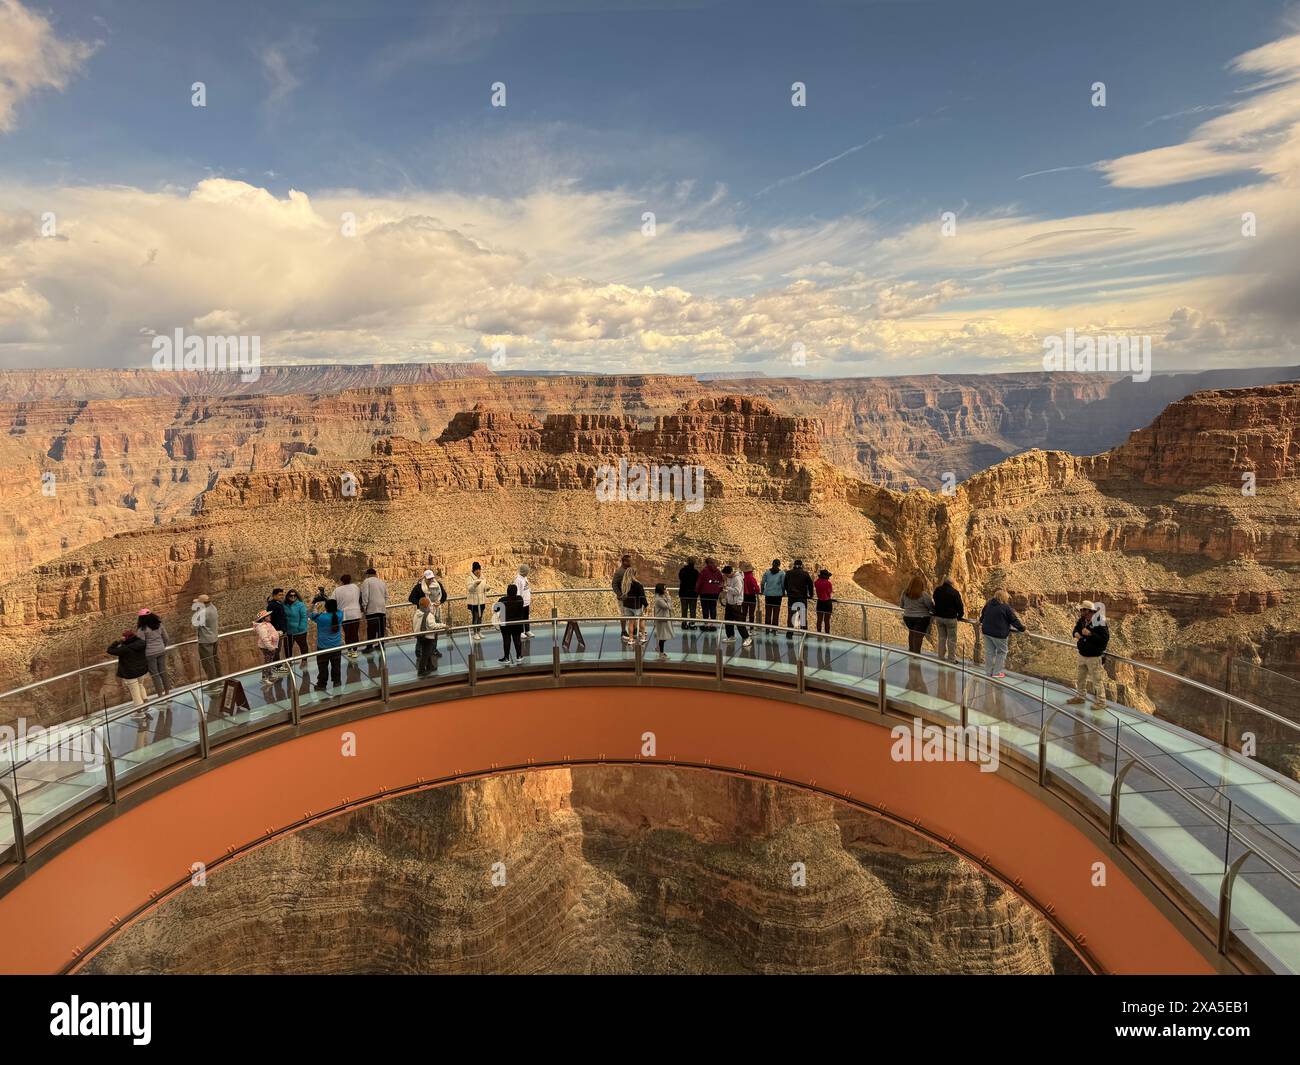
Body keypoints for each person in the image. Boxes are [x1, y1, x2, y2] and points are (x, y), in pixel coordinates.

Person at [1067, 601, 1110, 709]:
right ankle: (1080, 696)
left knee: (1097, 680)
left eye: (1083, 610)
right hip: (1082, 654)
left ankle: (1101, 702)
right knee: (1080, 678)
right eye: (1081, 610)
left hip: (1094, 657)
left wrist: (1090, 634)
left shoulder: (1100, 621)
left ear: (1089, 611)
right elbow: (1076, 629)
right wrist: (1075, 633)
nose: (1081, 612)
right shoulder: (1082, 620)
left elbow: (1104, 639)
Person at [979, 589, 1024, 678]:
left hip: (987, 632)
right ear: (1004, 597)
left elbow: (983, 615)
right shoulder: (1005, 607)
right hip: (999, 634)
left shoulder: (988, 604)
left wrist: (980, 621)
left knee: (989, 653)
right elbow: (1013, 620)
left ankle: (988, 672)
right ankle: (996, 673)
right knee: (1002, 652)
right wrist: (1022, 629)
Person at [107, 629, 151, 721]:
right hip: (141, 670)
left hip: (130, 673)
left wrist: (118, 642)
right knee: (140, 686)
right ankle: (146, 705)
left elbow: (110, 650)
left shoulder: (125, 648)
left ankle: (140, 713)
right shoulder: (141, 643)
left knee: (135, 692)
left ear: (125, 638)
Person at [310, 597, 345, 690]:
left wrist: (314, 604)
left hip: (323, 647)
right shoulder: (340, 614)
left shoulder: (321, 618)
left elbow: (310, 614)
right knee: (336, 666)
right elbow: (337, 610)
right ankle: (337, 682)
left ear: (326, 607)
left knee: (323, 667)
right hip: (336, 646)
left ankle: (321, 684)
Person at [135, 609, 171, 696]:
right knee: (163, 671)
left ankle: (160, 694)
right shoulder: (159, 625)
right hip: (161, 650)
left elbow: (141, 644)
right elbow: (166, 638)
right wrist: (163, 646)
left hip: (150, 654)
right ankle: (167, 692)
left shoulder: (142, 629)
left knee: (155, 675)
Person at [932, 577, 965, 663]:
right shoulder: (955, 593)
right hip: (950, 619)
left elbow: (935, 600)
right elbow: (960, 606)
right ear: (952, 584)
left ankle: (941, 657)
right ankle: (951, 659)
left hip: (939, 617)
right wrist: (960, 616)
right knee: (952, 639)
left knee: (941, 638)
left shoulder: (937, 590)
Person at [899, 574, 934, 654]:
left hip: (908, 618)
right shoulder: (923, 594)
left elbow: (901, 605)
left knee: (911, 633)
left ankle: (911, 652)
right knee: (918, 637)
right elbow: (930, 606)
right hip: (921, 619)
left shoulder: (905, 593)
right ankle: (916, 655)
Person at [331, 575, 363, 659]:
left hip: (344, 615)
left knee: (347, 633)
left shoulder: (337, 590)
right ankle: (355, 651)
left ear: (341, 581)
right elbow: (360, 598)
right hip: (355, 613)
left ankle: (349, 650)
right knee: (355, 633)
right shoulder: (355, 587)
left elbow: (332, 601)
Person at [721, 565, 752, 647]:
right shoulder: (729, 577)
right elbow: (730, 589)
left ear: (730, 572)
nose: (726, 576)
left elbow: (737, 591)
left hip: (736, 603)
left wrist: (727, 588)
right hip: (730, 602)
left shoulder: (737, 578)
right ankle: (731, 636)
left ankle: (747, 638)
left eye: (726, 574)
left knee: (739, 622)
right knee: (728, 621)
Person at [495, 584, 526, 664]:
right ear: (516, 591)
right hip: (517, 623)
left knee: (506, 640)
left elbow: (496, 609)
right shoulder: (520, 599)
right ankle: (519, 656)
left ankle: (506, 658)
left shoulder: (502, 600)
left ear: (507, 591)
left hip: (505, 623)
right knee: (517, 639)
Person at [192, 594, 221, 680]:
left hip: (205, 642)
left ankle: (213, 684)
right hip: (214, 639)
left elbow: (194, 626)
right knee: (215, 661)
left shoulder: (202, 613)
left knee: (208, 663)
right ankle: (220, 679)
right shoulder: (214, 608)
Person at [784, 560, 815, 639]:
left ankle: (789, 633)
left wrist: (788, 592)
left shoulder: (788, 573)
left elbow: (785, 584)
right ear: (802, 565)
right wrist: (811, 595)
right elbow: (810, 585)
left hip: (792, 598)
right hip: (802, 597)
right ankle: (804, 633)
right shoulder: (805, 574)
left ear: (794, 565)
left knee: (791, 615)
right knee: (802, 616)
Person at [360, 568, 388, 652]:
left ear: (368, 574)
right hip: (382, 608)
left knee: (371, 628)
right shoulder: (382, 582)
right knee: (381, 628)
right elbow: (386, 596)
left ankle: (369, 647)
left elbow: (365, 595)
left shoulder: (366, 581)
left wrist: (364, 607)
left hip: (372, 609)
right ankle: (381, 645)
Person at [413, 595, 440, 676]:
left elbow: (415, 624)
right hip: (428, 637)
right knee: (426, 653)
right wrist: (443, 626)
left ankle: (430, 666)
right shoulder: (429, 615)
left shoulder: (417, 613)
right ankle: (421, 670)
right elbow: (433, 626)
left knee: (426, 651)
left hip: (420, 635)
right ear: (427, 605)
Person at [282, 589, 310, 665]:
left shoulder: (301, 605)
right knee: (287, 648)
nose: (293, 597)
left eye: (295, 595)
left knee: (303, 646)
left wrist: (300, 628)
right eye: (291, 595)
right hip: (289, 631)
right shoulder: (284, 605)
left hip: (300, 631)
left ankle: (304, 661)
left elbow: (304, 617)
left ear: (297, 596)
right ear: (287, 596)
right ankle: (289, 662)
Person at [253, 609, 281, 681]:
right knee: (267, 662)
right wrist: (270, 647)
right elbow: (264, 638)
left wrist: (278, 633)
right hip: (266, 647)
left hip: (269, 646)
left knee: (269, 661)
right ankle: (265, 678)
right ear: (263, 619)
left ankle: (269, 675)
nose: (270, 616)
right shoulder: (262, 627)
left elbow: (270, 633)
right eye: (267, 616)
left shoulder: (267, 625)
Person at [696, 557, 724, 630]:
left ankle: (706, 624)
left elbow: (700, 582)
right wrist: (719, 590)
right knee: (713, 608)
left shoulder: (704, 571)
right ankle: (712, 625)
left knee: (705, 608)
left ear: (707, 563)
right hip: (715, 593)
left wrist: (697, 591)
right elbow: (721, 582)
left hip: (704, 592)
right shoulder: (718, 571)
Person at [264, 588, 288, 669]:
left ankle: (277, 666)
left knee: (277, 649)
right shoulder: (272, 605)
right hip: (276, 631)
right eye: (280, 595)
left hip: (279, 631)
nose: (282, 596)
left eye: (282, 594)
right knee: (276, 649)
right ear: (274, 595)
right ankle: (277, 666)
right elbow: (271, 619)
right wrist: (277, 630)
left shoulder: (277, 603)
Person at [467, 562, 490, 640]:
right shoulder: (470, 578)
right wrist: (475, 584)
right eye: (476, 570)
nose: (478, 571)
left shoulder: (483, 577)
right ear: (473, 570)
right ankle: (475, 633)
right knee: (475, 617)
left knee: (480, 617)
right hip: (474, 601)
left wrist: (487, 588)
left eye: (479, 569)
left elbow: (484, 586)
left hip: (482, 600)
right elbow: (469, 589)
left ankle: (479, 631)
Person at [652, 583, 675, 658]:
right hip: (662, 620)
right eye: (664, 589)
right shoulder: (659, 599)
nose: (666, 590)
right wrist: (668, 597)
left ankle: (658, 647)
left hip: (665, 619)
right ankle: (661, 652)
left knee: (665, 635)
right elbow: (667, 606)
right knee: (662, 636)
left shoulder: (661, 597)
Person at [761, 559, 786, 628]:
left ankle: (767, 629)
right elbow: (783, 585)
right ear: (779, 565)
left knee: (768, 613)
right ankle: (774, 630)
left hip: (768, 595)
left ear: (772, 564)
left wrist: (762, 591)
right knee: (776, 613)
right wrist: (783, 593)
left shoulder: (767, 572)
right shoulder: (782, 573)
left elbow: (762, 583)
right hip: (778, 596)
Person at [613, 555, 633, 637]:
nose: (631, 562)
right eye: (629, 561)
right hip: (623, 598)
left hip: (630, 597)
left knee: (631, 613)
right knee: (623, 614)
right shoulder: (619, 571)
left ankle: (632, 630)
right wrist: (620, 595)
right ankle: (623, 631)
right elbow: (614, 584)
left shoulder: (629, 570)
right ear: (624, 562)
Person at [677, 557, 700, 629]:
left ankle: (684, 624)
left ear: (687, 562)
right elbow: (698, 582)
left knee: (684, 609)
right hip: (693, 594)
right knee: (693, 610)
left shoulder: (682, 571)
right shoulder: (696, 572)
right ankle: (692, 624)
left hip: (683, 593)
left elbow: (680, 578)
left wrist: (684, 567)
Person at [814, 569, 834, 635]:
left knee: (819, 620)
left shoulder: (816, 582)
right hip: (827, 603)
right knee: (827, 621)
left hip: (819, 602)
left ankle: (819, 634)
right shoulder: (828, 583)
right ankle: (827, 635)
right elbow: (829, 592)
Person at [516, 565, 533, 639]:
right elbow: (518, 592)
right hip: (521, 602)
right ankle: (521, 631)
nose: (528, 573)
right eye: (527, 571)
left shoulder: (525, 578)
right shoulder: (518, 580)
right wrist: (519, 601)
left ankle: (527, 630)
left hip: (526, 602)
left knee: (526, 617)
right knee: (521, 617)